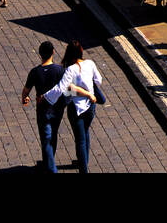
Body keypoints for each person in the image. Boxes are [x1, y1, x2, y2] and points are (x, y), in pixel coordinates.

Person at [43, 41, 105, 174]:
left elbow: (62, 87)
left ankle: (84, 169)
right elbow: (99, 80)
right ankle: (84, 161)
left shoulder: (71, 69)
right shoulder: (90, 63)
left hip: (76, 109)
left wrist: (46, 97)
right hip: (91, 106)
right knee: (85, 133)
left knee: (80, 140)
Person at [21, 41, 65, 172]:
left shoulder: (35, 72)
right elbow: (66, 89)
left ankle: (51, 168)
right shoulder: (60, 70)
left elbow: (26, 90)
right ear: (53, 52)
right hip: (57, 110)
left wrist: (25, 98)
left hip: (43, 111)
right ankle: (48, 162)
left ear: (40, 54)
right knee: (53, 134)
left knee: (45, 138)